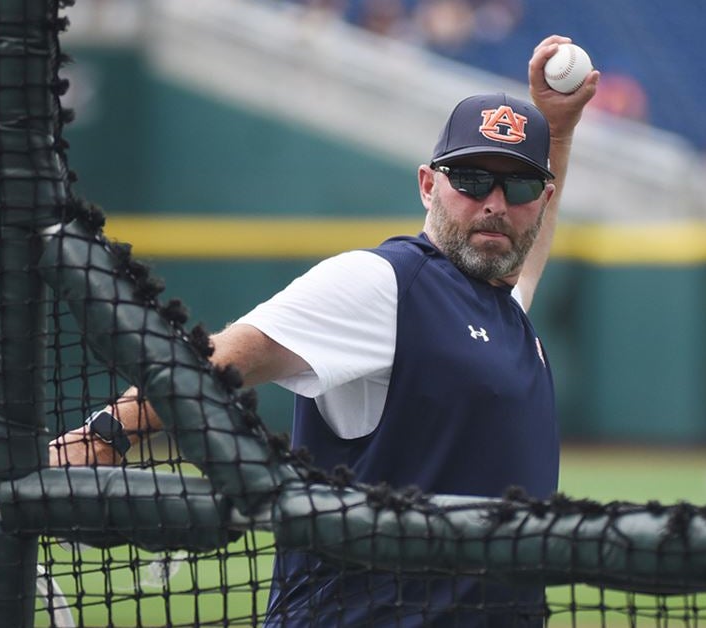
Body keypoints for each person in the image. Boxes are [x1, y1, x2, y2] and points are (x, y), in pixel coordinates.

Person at [51, 35, 598, 626]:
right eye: (470, 178)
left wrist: (559, 131)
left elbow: (529, 246)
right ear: (427, 185)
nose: (494, 203)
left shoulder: (504, 307)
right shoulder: (386, 283)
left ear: (541, 199)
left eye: (518, 187)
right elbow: (221, 357)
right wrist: (103, 434)